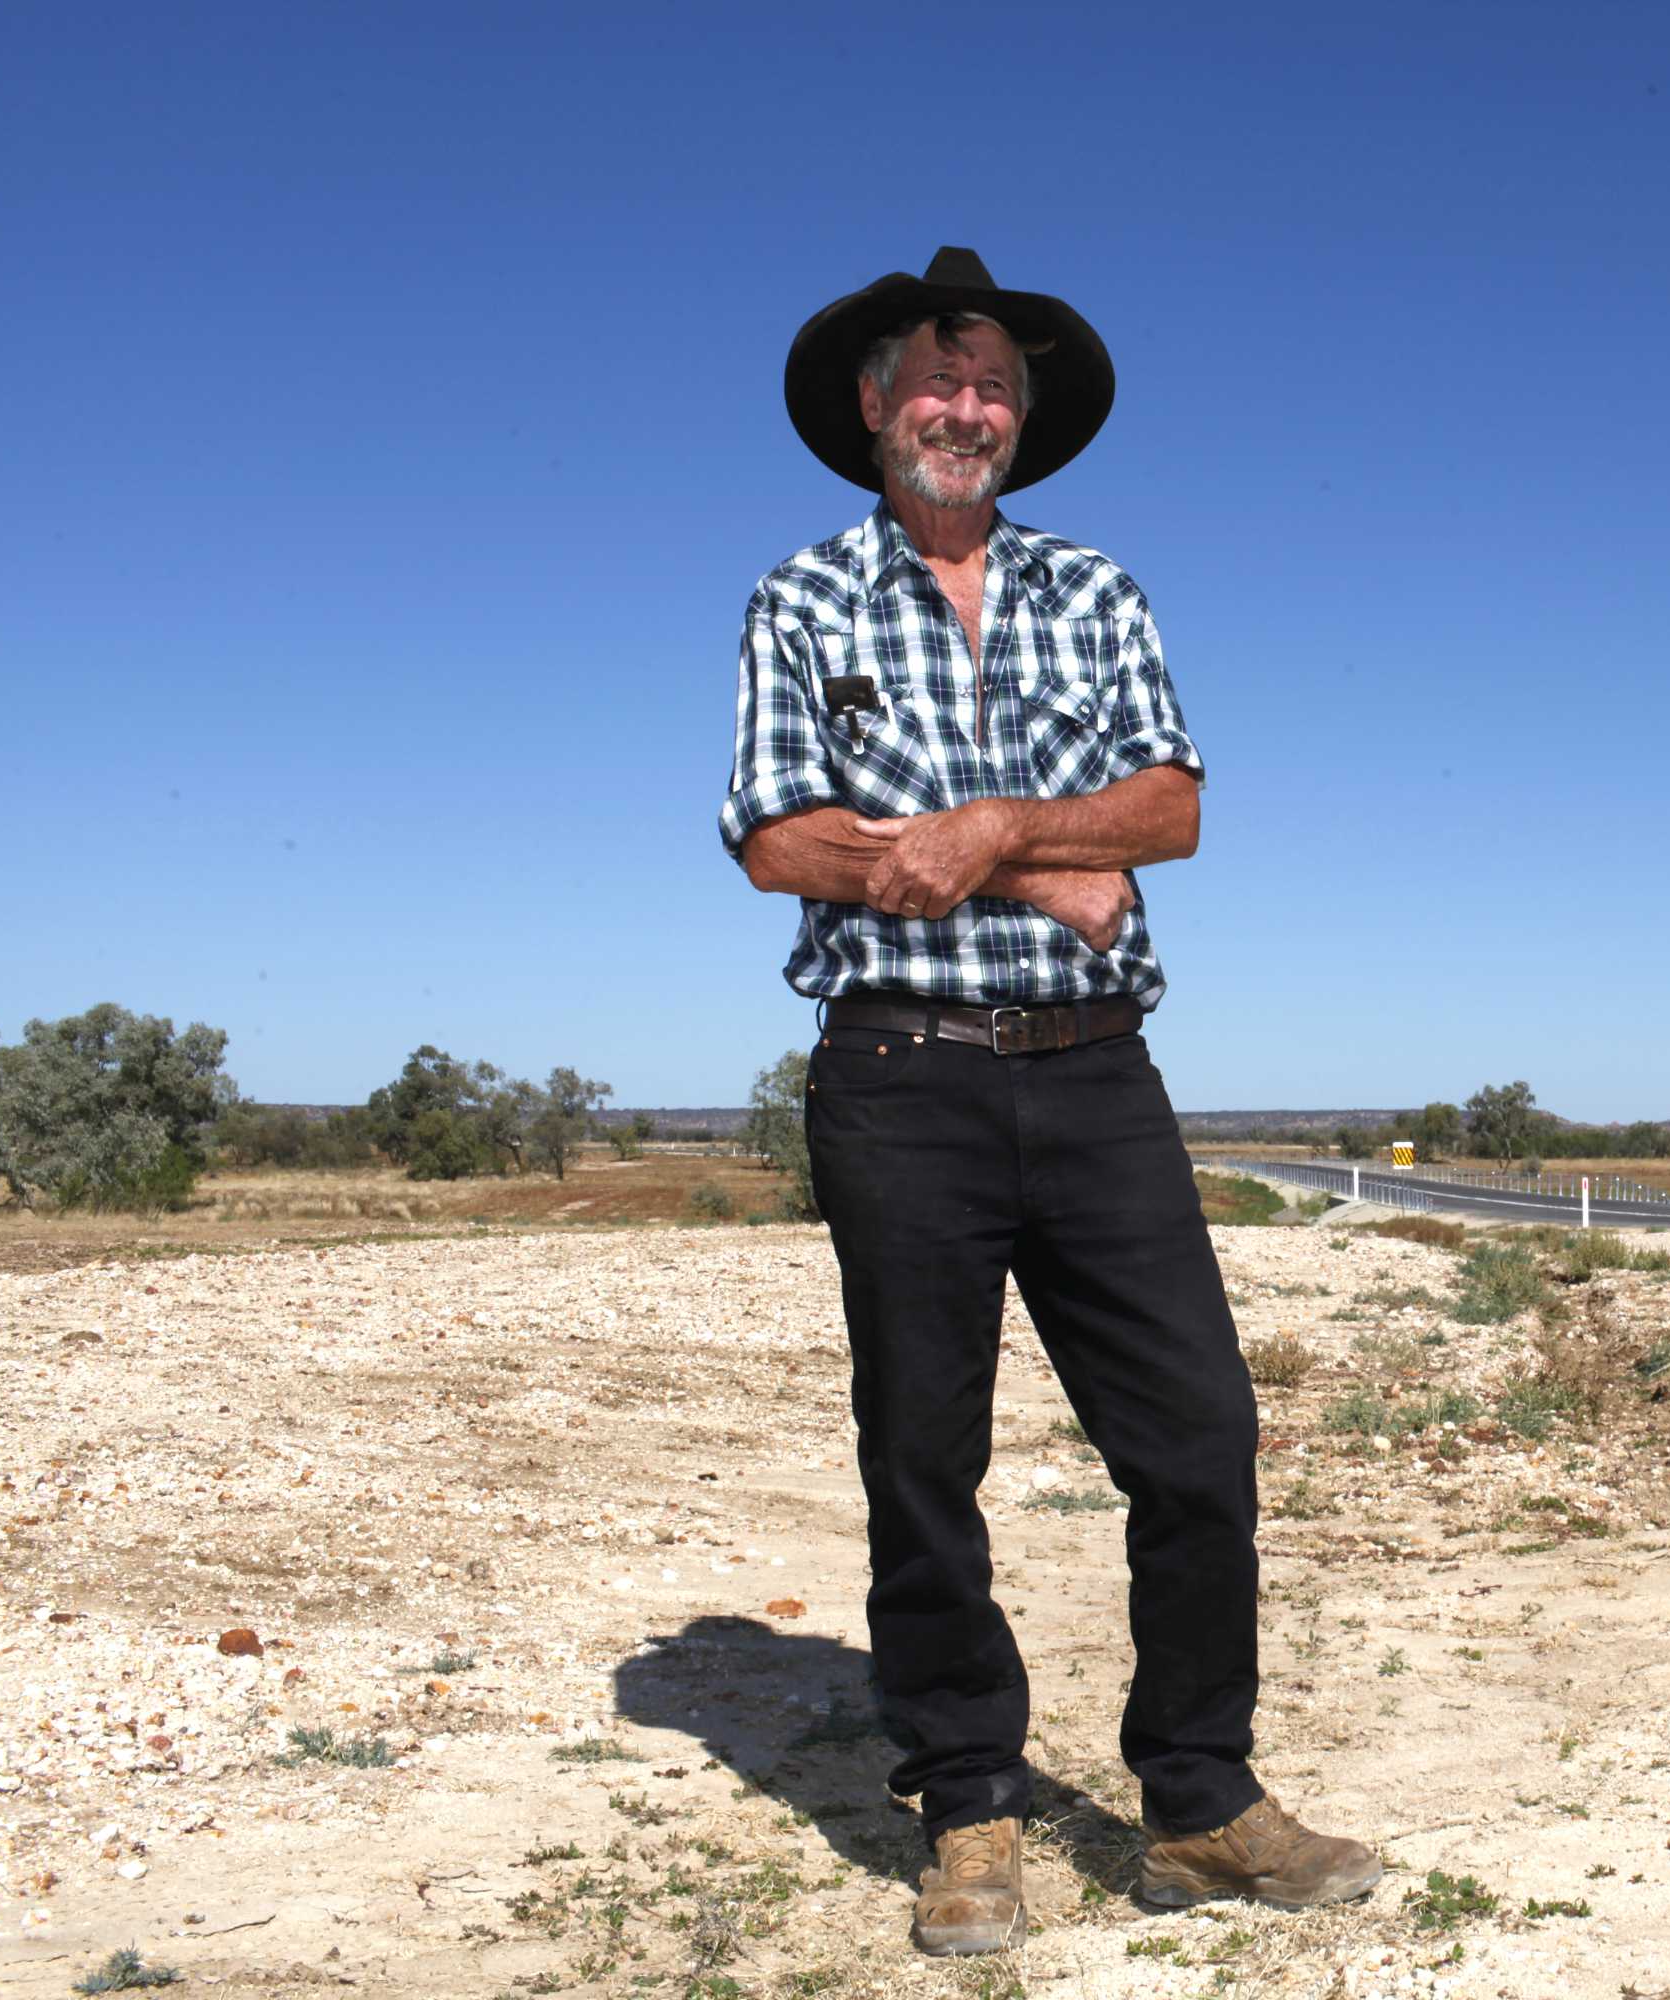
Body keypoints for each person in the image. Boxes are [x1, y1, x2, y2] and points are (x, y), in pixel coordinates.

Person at [717, 248, 1377, 1957]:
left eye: (994, 384)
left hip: (1097, 1077)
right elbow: (778, 841)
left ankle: (1202, 1802)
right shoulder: (800, 604)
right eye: (936, 383)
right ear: (875, 408)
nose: (966, 409)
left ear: (1025, 417)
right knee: (924, 1455)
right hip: (899, 1076)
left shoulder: (1099, 591)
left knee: (1200, 1440)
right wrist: (1033, 876)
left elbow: (1169, 812)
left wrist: (994, 829)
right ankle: (969, 1810)